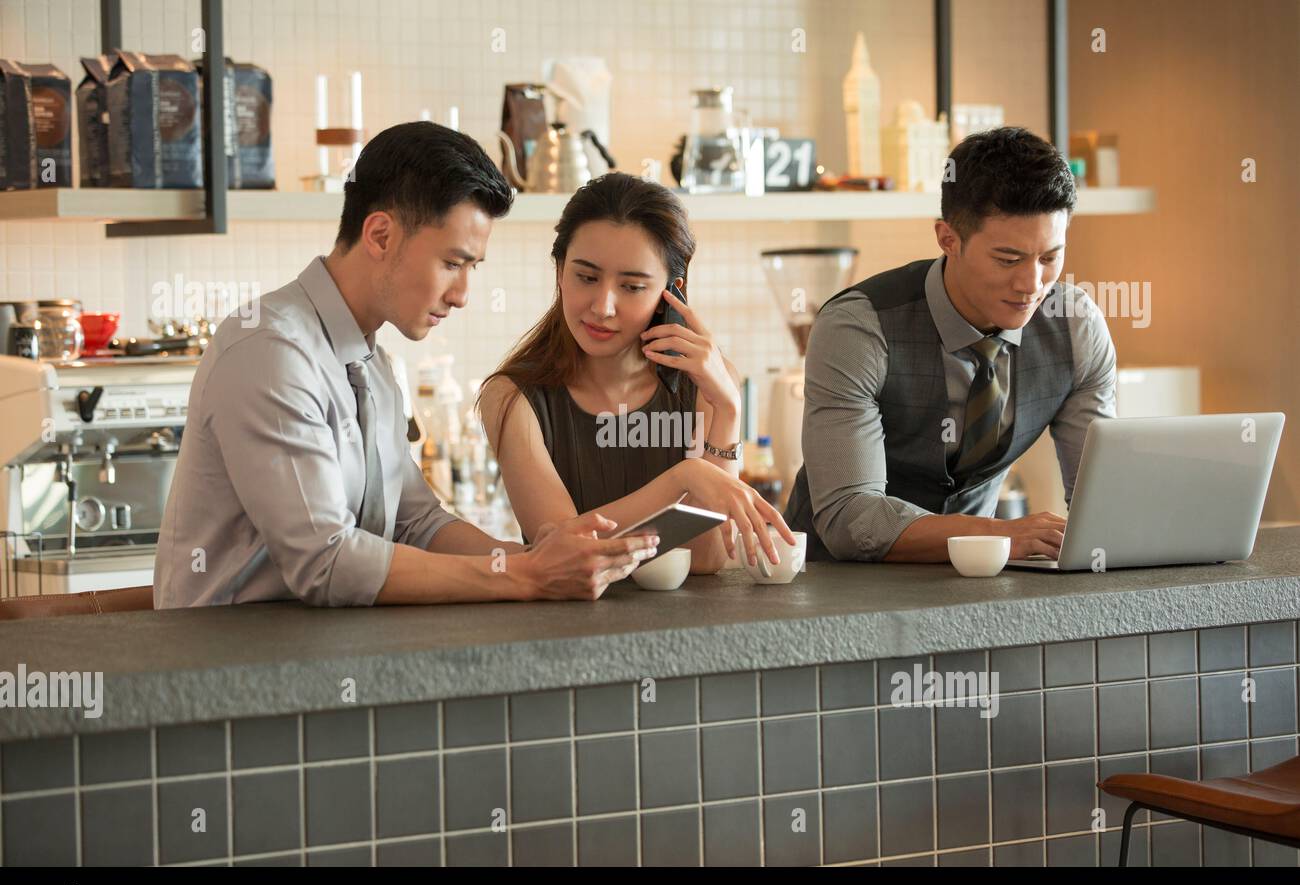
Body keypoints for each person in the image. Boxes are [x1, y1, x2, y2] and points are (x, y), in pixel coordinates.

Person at [154, 123, 658, 608]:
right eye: (452, 263)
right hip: (225, 673)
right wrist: (527, 576)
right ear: (379, 236)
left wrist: (539, 561)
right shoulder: (269, 349)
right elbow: (324, 562)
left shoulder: (371, 363)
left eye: (472, 269)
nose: (462, 295)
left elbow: (417, 523)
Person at [785, 126, 1117, 563]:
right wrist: (1000, 536)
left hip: (977, 586)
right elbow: (852, 519)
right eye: (1008, 259)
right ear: (948, 239)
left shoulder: (1074, 328)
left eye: (1050, 257)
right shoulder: (858, 327)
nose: (1032, 285)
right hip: (837, 589)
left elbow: (1103, 504)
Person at [479, 172, 794, 571]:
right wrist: (683, 479)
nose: (603, 306)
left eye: (631, 286)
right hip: (563, 630)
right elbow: (562, 552)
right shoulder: (511, 398)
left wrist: (728, 411)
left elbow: (707, 560)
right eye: (586, 277)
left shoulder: (707, 384)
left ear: (672, 291)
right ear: (560, 272)